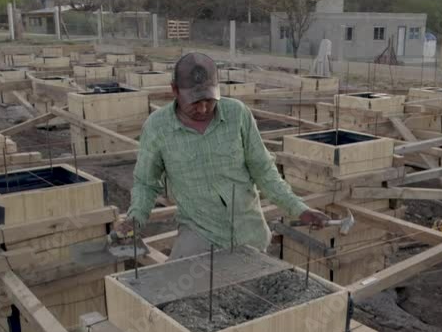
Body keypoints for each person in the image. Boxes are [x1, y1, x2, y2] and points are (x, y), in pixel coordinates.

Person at [117, 52, 328, 260]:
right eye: (194, 102)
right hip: (199, 232)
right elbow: (145, 183)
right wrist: (135, 219)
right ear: (175, 90)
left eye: (209, 100)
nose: (203, 108)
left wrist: (299, 209)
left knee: (255, 278)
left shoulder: (237, 114)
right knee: (181, 278)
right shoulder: (157, 128)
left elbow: (264, 171)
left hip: (248, 231)